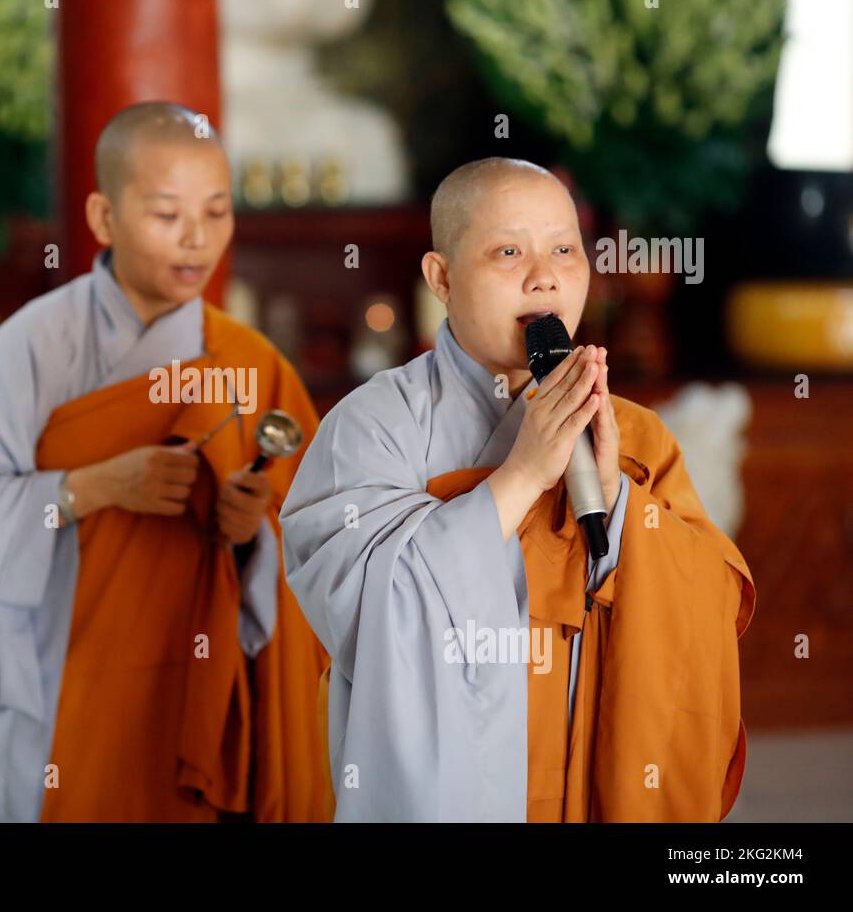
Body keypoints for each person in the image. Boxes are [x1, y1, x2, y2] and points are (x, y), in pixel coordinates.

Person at [280, 157, 756, 822]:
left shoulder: (633, 434)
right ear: (441, 278)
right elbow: (366, 616)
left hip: (596, 777)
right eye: (508, 251)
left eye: (565, 249)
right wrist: (524, 476)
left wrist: (618, 504)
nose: (545, 274)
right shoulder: (371, 426)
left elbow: (710, 608)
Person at [0, 102, 329, 822]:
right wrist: (90, 487)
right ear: (104, 219)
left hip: (202, 697)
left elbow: (324, 543)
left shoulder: (252, 365)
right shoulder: (36, 346)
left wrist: (254, 536)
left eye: (217, 212)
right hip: (67, 684)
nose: (197, 239)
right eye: (167, 215)